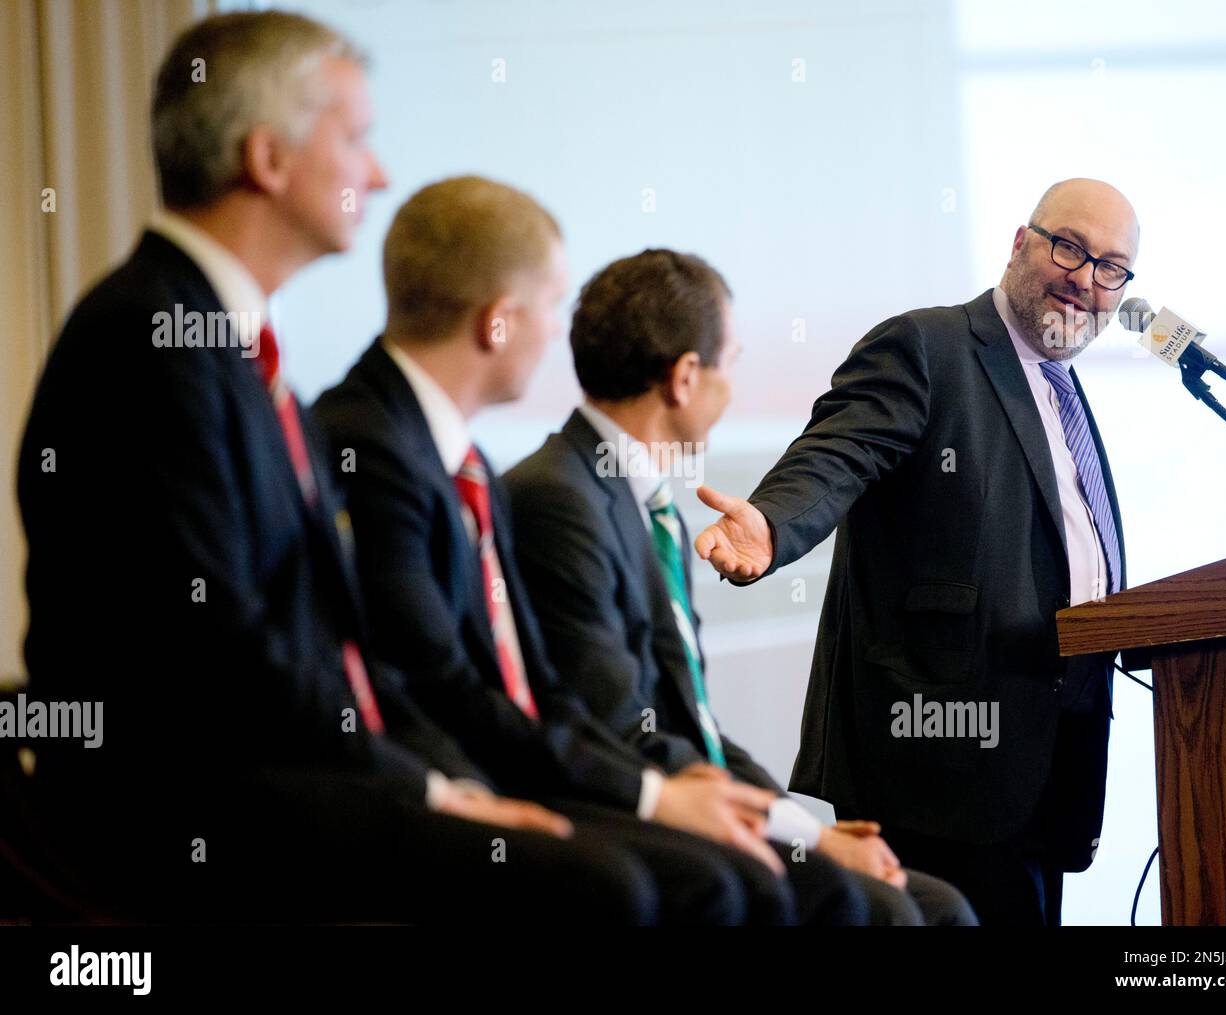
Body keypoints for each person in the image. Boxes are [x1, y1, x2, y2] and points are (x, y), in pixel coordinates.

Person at [15, 11, 671, 926]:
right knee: (613, 890)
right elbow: (220, 655)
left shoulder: (237, 354)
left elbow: (339, 651)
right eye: (356, 137)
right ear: (268, 160)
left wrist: (430, 773)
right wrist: (426, 787)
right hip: (189, 810)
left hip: (286, 777)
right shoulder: (147, 341)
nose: (380, 172)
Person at [314, 177, 869, 925]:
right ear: (498, 323)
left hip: (524, 767)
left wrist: (779, 816)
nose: (558, 335)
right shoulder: (385, 447)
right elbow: (444, 684)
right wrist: (663, 798)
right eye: (550, 307)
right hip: (435, 788)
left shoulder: (461, 455)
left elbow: (542, 686)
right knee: (731, 885)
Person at [692, 179, 1137, 925]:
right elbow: (839, 455)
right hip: (937, 765)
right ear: (1020, 242)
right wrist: (770, 523)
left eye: (1111, 267)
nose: (1086, 279)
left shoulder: (1066, 392)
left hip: (1050, 764)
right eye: (1070, 247)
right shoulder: (929, 346)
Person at [504, 248, 977, 926]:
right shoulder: (559, 498)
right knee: (888, 910)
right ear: (686, 376)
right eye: (732, 361)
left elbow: (695, 727)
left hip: (691, 794)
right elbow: (618, 726)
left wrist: (809, 828)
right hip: (631, 812)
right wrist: (805, 836)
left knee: (940, 906)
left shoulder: (636, 500)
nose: (734, 386)